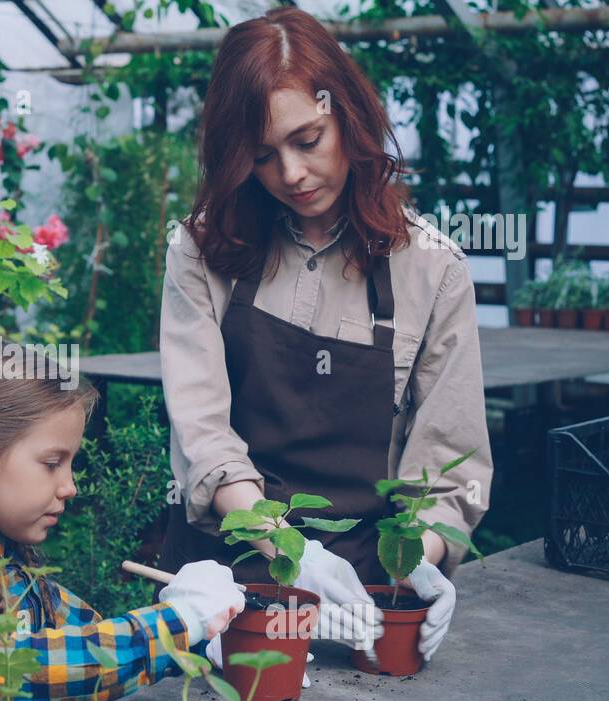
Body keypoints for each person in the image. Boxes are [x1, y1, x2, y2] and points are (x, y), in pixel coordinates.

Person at [158, 8, 493, 666]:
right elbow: (204, 437)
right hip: (226, 592)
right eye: (261, 156)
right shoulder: (202, 250)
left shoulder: (434, 269)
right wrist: (287, 549)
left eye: (307, 138)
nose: (291, 174)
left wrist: (421, 565)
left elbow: (449, 470)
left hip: (364, 605)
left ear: (349, 117)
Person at [0, 343, 247, 701]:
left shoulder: (14, 565)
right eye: (52, 463)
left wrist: (207, 635)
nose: (70, 486)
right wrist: (178, 620)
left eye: (71, 463)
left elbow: (88, 646)